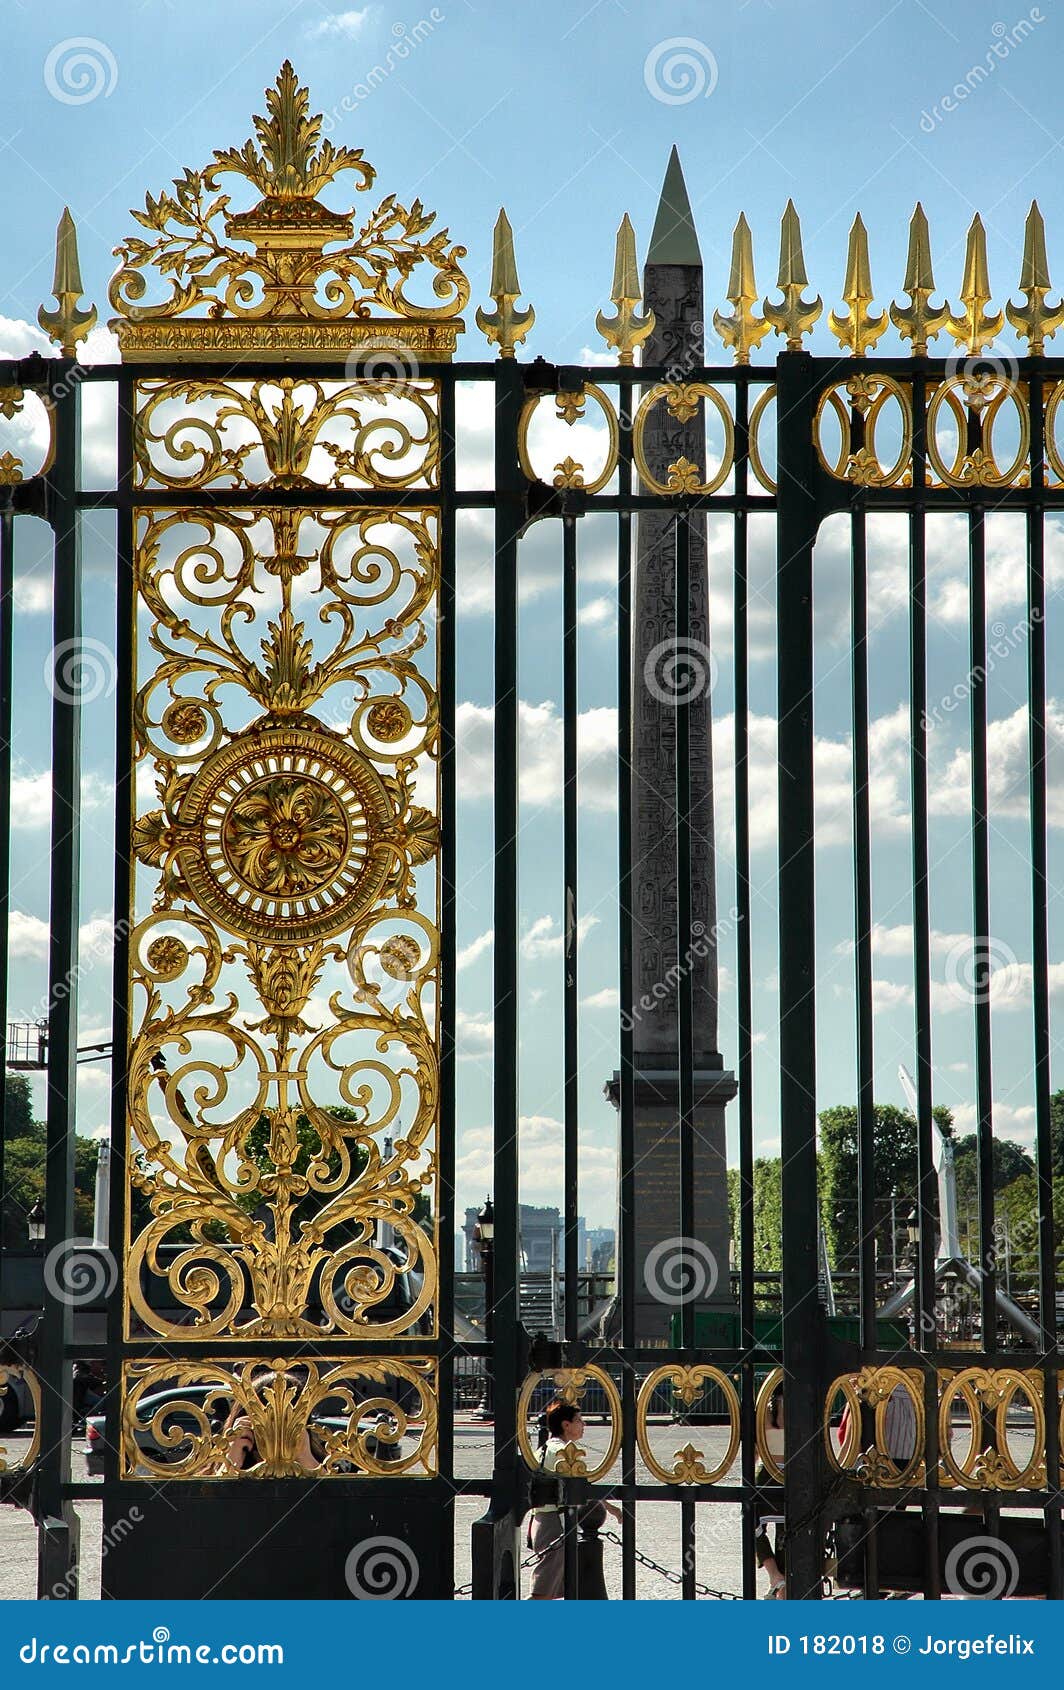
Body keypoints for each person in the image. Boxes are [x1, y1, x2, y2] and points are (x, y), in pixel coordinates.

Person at [526, 1398, 620, 1599]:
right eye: (579, 1420)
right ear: (566, 1425)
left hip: (542, 1521)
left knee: (553, 1589)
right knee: (542, 1593)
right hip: (555, 1524)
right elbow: (582, 1489)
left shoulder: (544, 1449)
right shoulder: (566, 1453)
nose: (583, 1424)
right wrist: (612, 1509)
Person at [754, 1382, 786, 1599]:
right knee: (790, 1528)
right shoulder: (803, 1404)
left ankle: (775, 1576)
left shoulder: (765, 1408)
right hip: (794, 1475)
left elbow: (755, 1450)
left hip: (768, 1474)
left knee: (753, 1525)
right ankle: (786, 1582)